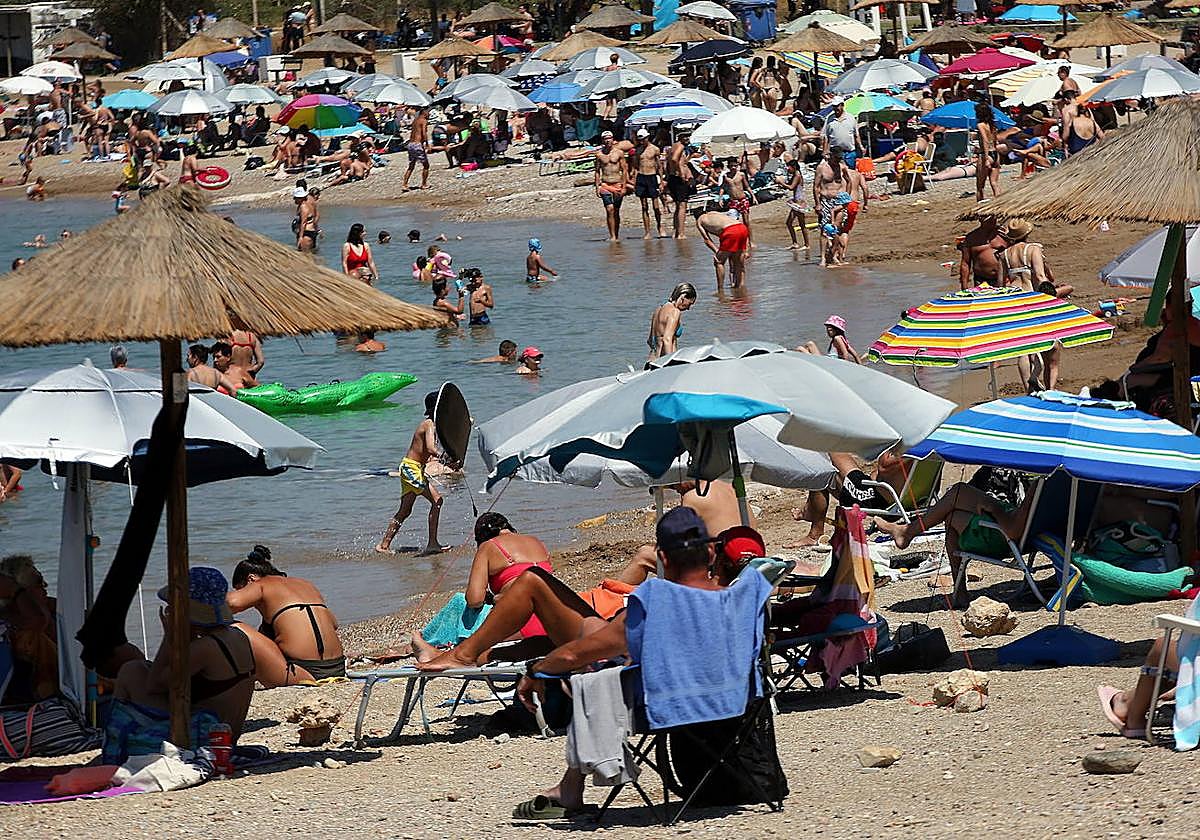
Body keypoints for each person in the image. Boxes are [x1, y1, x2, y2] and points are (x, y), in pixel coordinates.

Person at [510, 507, 751, 817]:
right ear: (710, 551)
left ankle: (571, 788)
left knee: (591, 677)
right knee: (599, 650)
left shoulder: (656, 599)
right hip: (735, 702)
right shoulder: (744, 596)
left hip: (671, 708)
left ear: (662, 558)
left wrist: (536, 669)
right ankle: (569, 786)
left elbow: (574, 654)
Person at [111, 567, 256, 743]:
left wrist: (169, 636)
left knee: (131, 672)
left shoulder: (205, 648)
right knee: (139, 668)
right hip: (224, 733)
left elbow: (154, 684)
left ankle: (114, 738)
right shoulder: (237, 636)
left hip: (204, 737)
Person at [411, 513, 555, 664]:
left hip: (517, 624)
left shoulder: (489, 546)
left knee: (459, 602)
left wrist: (491, 597)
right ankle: (429, 646)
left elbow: (474, 600)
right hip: (549, 620)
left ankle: (430, 645)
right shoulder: (537, 543)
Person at [873, 481, 1040, 607]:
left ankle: (908, 532)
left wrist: (994, 508)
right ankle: (908, 531)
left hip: (1007, 537)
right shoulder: (1053, 483)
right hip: (1032, 533)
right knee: (957, 496)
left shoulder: (1041, 483)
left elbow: (1013, 530)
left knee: (956, 499)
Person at [227, 545, 346, 682]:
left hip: (303, 672)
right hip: (338, 668)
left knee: (237, 628)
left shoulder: (261, 584)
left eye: (240, 589)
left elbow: (231, 603)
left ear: (251, 579)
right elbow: (334, 624)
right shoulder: (304, 584)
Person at [376, 392, 449, 554]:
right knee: (437, 500)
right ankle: (432, 544)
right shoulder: (429, 424)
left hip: (412, 468)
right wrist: (444, 456)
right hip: (411, 469)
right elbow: (431, 448)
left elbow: (429, 453)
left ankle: (383, 545)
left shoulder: (433, 425)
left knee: (405, 511)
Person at [998, 218, 1062, 391]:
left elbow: (1000, 284)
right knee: (1043, 339)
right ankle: (1036, 376)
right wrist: (1049, 297)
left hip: (1013, 300)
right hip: (1031, 298)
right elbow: (1041, 276)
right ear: (1027, 234)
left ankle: (1029, 387)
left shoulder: (1004, 255)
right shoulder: (1033, 249)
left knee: (1023, 347)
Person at [812, 149, 851, 268]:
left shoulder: (842, 167)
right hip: (825, 201)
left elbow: (849, 181)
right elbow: (816, 187)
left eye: (840, 158)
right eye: (836, 158)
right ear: (830, 156)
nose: (838, 160)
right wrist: (817, 203)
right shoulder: (821, 168)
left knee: (836, 229)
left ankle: (834, 256)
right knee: (825, 230)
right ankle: (823, 258)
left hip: (839, 200)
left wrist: (846, 197)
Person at [696, 209, 749, 289]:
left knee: (718, 262)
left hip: (730, 232)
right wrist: (746, 250)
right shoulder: (714, 213)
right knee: (737, 262)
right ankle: (740, 288)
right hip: (742, 228)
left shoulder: (699, 220)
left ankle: (720, 290)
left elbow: (707, 240)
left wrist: (716, 251)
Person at [646, 282, 697, 362]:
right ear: (683, 297)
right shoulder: (674, 312)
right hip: (663, 362)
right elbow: (667, 339)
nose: (688, 308)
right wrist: (671, 363)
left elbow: (650, 341)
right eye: (689, 304)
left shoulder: (658, 310)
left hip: (651, 361)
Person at [594, 131, 628, 242]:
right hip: (605, 185)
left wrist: (624, 186)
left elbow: (624, 170)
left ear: (613, 139)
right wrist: (597, 186)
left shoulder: (619, 153)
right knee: (610, 209)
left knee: (616, 211)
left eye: (609, 138)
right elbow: (597, 171)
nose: (608, 140)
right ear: (602, 140)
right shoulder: (599, 154)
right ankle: (612, 236)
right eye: (605, 138)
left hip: (617, 184)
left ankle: (616, 235)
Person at [958, 215, 1007, 289]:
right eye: (988, 218)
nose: (992, 220)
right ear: (980, 219)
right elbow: (965, 263)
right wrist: (964, 286)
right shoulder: (971, 238)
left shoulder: (1004, 235)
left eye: (993, 217)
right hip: (981, 279)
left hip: (1004, 278)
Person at [632, 128, 664, 239]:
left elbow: (659, 166)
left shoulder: (655, 149)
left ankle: (659, 227)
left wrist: (661, 181)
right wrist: (634, 180)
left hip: (652, 177)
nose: (642, 141)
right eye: (640, 140)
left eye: (643, 139)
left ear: (647, 137)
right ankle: (647, 231)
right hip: (641, 177)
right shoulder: (638, 150)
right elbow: (636, 166)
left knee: (656, 206)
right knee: (644, 206)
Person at [721, 157, 757, 247]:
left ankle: (751, 241)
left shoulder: (741, 175)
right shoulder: (726, 176)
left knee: (746, 222)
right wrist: (720, 198)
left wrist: (753, 197)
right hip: (733, 201)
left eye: (735, 166)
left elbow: (747, 187)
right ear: (728, 166)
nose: (733, 168)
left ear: (737, 166)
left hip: (742, 200)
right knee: (733, 223)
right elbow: (722, 187)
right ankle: (738, 242)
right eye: (731, 166)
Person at [798, 315, 863, 363]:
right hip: (827, 360)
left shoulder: (837, 338)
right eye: (827, 330)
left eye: (830, 330)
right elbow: (855, 355)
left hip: (829, 363)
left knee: (800, 349)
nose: (828, 332)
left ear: (837, 330)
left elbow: (845, 353)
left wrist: (846, 367)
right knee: (810, 344)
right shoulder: (843, 340)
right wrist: (861, 366)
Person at [666, 131, 694, 239]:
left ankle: (676, 232)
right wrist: (681, 173)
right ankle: (681, 234)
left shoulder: (672, 147)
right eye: (685, 136)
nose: (687, 138)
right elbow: (674, 159)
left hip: (673, 178)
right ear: (680, 137)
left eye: (688, 136)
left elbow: (671, 162)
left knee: (678, 206)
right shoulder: (681, 146)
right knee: (682, 205)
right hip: (679, 179)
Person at [822, 96, 861, 168]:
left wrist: (860, 146)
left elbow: (856, 135)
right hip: (835, 153)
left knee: (850, 171)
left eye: (837, 106)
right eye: (834, 106)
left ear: (842, 105)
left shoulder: (851, 118)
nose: (835, 108)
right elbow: (826, 136)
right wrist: (825, 151)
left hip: (849, 152)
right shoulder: (829, 119)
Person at [781, 158, 810, 253]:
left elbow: (791, 187)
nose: (787, 169)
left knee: (802, 224)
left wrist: (781, 183)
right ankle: (795, 243)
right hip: (796, 201)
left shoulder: (797, 175)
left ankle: (807, 245)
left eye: (789, 167)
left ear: (793, 167)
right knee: (789, 223)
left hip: (799, 202)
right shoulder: (795, 174)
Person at [974, 101, 1002, 202]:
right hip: (995, 154)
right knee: (994, 183)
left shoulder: (980, 125)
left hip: (986, 155)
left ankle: (979, 206)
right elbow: (995, 141)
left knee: (980, 185)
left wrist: (985, 158)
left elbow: (985, 140)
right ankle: (1000, 202)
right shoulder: (992, 125)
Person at [296, 185, 320, 252]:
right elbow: (316, 216)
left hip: (306, 233)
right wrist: (317, 229)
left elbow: (303, 222)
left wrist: (300, 237)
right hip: (312, 231)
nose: (294, 199)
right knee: (312, 253)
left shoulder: (303, 206)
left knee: (304, 254)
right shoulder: (312, 201)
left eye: (295, 198)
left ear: (300, 198)